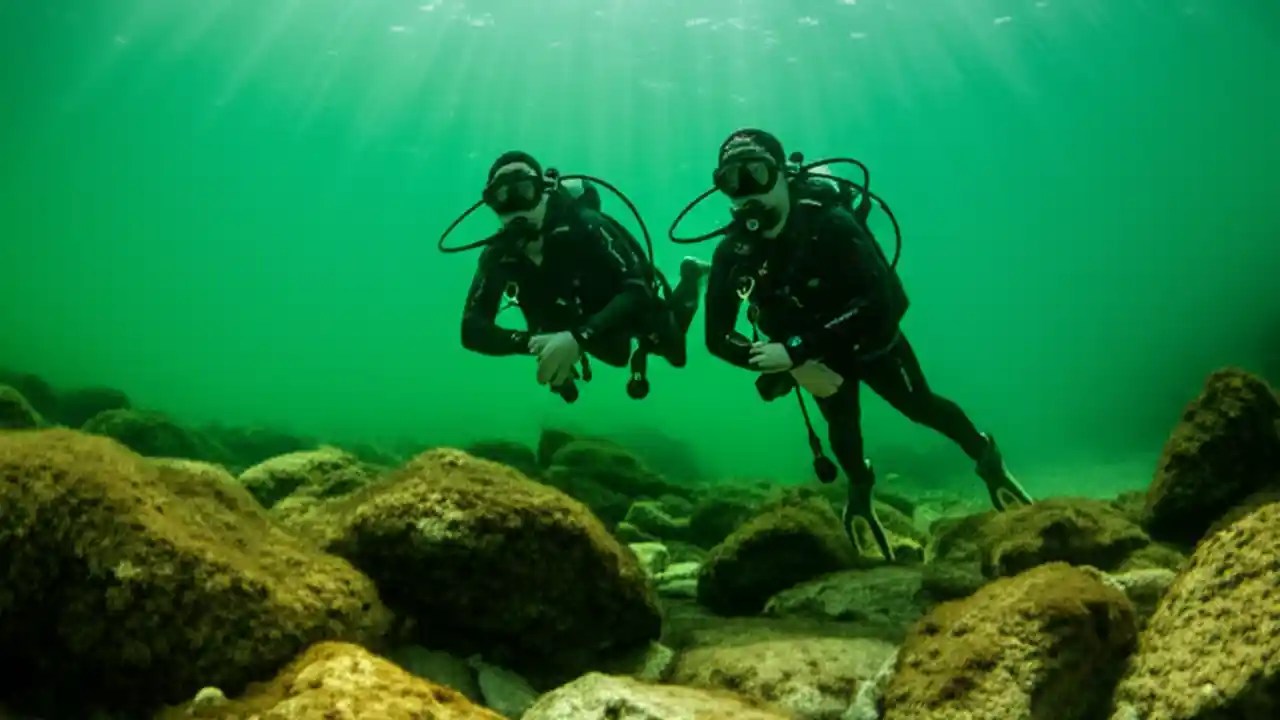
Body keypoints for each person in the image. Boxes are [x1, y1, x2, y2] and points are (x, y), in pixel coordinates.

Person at [699, 129, 1034, 560]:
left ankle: (987, 458)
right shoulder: (734, 251)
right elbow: (716, 338)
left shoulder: (830, 222)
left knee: (920, 406)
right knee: (843, 430)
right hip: (813, 359)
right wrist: (781, 363)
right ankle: (860, 491)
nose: (746, 193)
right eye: (731, 180)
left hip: (871, 340)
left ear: (783, 175)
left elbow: (886, 299)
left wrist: (796, 350)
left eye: (757, 174)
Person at [459, 151, 710, 401]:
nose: (515, 207)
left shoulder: (585, 223)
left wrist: (579, 337)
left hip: (624, 304)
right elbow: (472, 328)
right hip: (580, 320)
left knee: (675, 354)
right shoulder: (499, 255)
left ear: (544, 190)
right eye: (501, 196)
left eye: (525, 191)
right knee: (617, 356)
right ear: (491, 202)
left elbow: (636, 289)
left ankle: (691, 275)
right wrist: (537, 344)